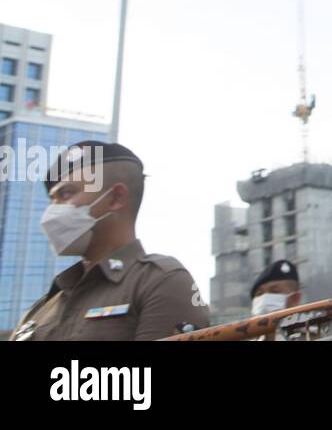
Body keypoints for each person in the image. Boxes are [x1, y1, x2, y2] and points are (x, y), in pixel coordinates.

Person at [9, 140, 210, 341]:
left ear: (116, 198)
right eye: (52, 200)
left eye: (66, 194)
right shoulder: (43, 307)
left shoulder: (160, 281)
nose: (51, 212)